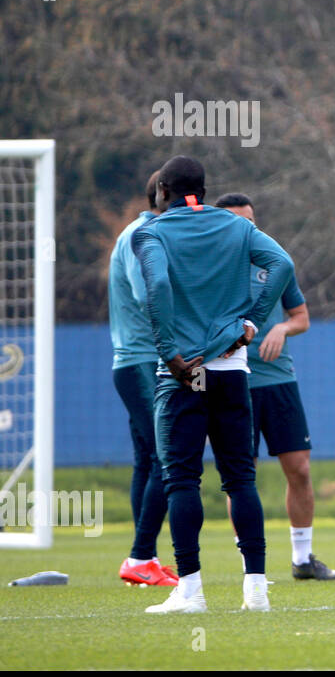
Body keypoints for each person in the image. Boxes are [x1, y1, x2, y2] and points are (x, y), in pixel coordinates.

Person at [132, 156, 294, 613]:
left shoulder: (152, 231)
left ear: (162, 189)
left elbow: (158, 288)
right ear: (202, 189)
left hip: (183, 371)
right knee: (241, 479)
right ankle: (256, 591)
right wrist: (250, 323)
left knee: (181, 480)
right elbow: (282, 263)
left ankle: (191, 592)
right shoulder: (236, 227)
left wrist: (170, 352)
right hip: (231, 369)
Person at [213, 193, 335, 580]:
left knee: (299, 469)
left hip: (279, 380)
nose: (248, 229)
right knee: (241, 476)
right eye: (238, 221)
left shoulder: (274, 263)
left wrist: (282, 328)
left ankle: (303, 559)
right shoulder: (210, 269)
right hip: (233, 382)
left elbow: (301, 317)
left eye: (251, 221)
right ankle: (250, 565)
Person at [110, 169, 175, 587]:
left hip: (140, 362)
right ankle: (139, 557)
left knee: (146, 459)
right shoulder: (141, 235)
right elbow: (144, 293)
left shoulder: (150, 232)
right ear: (164, 194)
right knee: (165, 458)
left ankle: (144, 558)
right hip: (140, 362)